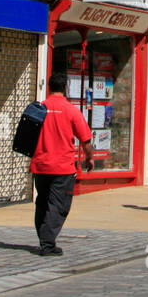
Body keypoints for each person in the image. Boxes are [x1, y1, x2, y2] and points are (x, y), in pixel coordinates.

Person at [30, 70, 92, 254]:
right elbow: (85, 139)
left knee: (42, 202)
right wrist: (89, 158)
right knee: (59, 205)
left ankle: (44, 238)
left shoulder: (39, 108)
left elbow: (29, 135)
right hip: (63, 167)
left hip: (40, 165)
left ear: (49, 87)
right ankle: (47, 244)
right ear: (65, 88)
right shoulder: (71, 111)